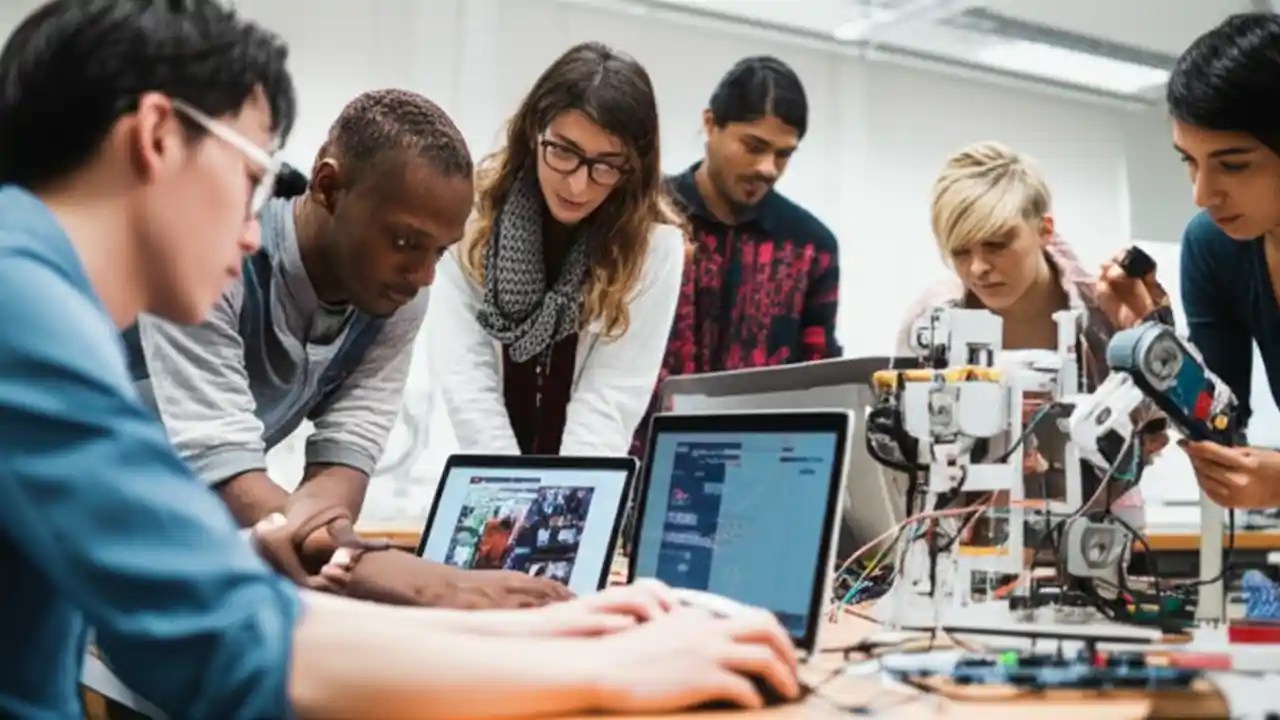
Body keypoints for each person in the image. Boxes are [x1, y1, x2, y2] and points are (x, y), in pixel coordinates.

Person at [0, 2, 801, 717]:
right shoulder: (21, 309)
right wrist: (604, 666)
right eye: (249, 178)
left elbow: (210, 606)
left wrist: (549, 628)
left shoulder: (40, 296)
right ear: (155, 138)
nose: (251, 231)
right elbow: (233, 639)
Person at [122, 87, 566, 608]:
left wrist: (339, 552)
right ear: (329, 188)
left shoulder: (396, 300)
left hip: (157, 535)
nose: (424, 275)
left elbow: (341, 468)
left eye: (440, 252)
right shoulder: (215, 255)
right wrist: (426, 582)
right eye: (405, 241)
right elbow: (221, 468)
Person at [898, 142, 1166, 553]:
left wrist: (1150, 330)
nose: (978, 268)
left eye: (996, 244)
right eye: (960, 251)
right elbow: (903, 449)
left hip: (1094, 542)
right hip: (964, 548)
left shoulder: (1107, 312)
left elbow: (1158, 430)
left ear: (1044, 229)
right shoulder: (931, 320)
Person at [429, 42, 686, 456]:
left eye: (606, 165)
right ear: (534, 132)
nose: (578, 185)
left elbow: (609, 403)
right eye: (564, 151)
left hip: (585, 477)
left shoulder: (654, 252)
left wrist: (567, 492)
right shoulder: (470, 221)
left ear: (632, 167)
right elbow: (468, 382)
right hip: (479, 470)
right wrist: (507, 488)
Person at [1103, 12, 1280, 510]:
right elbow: (1220, 423)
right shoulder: (1215, 246)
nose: (1202, 194)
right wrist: (1153, 342)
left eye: (1233, 164)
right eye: (1189, 160)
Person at [635, 55, 842, 453]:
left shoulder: (811, 247)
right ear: (710, 124)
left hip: (760, 467)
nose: (768, 168)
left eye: (783, 154)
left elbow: (819, 383)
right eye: (753, 146)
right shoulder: (645, 218)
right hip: (644, 460)